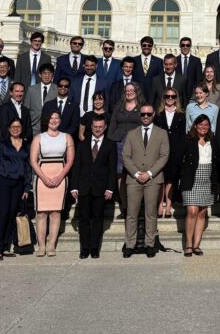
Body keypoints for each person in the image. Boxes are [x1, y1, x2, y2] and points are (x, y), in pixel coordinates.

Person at [121, 105, 170, 258]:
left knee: (151, 213)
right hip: (133, 179)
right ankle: (130, 244)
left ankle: (150, 244)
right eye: (143, 114)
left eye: (149, 113)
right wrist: (136, 173)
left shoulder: (162, 133)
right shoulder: (131, 134)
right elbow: (125, 156)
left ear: (153, 114)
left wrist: (149, 173)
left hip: (153, 179)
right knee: (131, 214)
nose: (146, 116)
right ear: (140, 115)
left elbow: (164, 156)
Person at [0, 117, 31, 260]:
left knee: (11, 215)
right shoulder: (3, 143)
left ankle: (5, 247)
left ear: (22, 129)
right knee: (2, 214)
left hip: (18, 184)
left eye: (18, 127)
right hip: (2, 181)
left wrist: (27, 187)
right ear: (9, 129)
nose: (16, 129)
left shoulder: (26, 145)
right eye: (13, 127)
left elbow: (28, 167)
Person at [70, 114, 117, 259]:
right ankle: (84, 248)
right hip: (84, 187)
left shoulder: (110, 144)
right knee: (84, 219)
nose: (97, 129)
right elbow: (77, 166)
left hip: (100, 188)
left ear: (105, 127)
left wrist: (110, 188)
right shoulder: (83, 144)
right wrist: (74, 186)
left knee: (98, 219)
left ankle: (95, 248)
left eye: (100, 127)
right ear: (91, 127)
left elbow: (112, 169)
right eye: (95, 127)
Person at [29, 110, 74, 257]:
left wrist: (60, 176)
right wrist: (43, 177)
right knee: (41, 213)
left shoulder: (67, 137)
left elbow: (70, 160)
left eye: (57, 118)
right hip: (42, 179)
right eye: (51, 118)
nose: (54, 120)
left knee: (55, 212)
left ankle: (51, 245)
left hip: (60, 178)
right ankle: (41, 245)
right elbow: (33, 161)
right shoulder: (38, 138)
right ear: (46, 120)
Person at [179, 114, 216, 256]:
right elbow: (179, 160)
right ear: (195, 126)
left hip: (207, 178)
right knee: (192, 211)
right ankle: (188, 244)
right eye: (200, 124)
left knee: (202, 212)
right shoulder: (188, 140)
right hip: (191, 178)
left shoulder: (213, 140)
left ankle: (196, 245)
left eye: (206, 125)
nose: (203, 127)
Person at [107, 82, 142, 217]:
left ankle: (135, 207)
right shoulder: (119, 107)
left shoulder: (141, 108)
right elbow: (112, 127)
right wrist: (110, 142)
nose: (129, 92)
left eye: (132, 90)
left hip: (136, 144)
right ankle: (125, 207)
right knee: (120, 175)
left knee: (134, 175)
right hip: (119, 143)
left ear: (136, 91)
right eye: (127, 90)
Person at [155, 87, 186, 219]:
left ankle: (168, 205)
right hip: (160, 151)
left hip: (175, 152)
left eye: (173, 96)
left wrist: (180, 153)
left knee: (171, 180)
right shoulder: (158, 115)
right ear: (164, 98)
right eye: (167, 96)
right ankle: (159, 205)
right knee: (161, 179)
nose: (170, 99)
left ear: (176, 99)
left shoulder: (181, 115)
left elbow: (182, 136)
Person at [25, 62, 57, 132]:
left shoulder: (57, 90)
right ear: (40, 74)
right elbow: (26, 108)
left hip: (50, 127)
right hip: (34, 126)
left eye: (49, 73)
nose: (47, 76)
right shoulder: (31, 89)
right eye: (44, 73)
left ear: (53, 75)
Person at [175, 36, 200, 102]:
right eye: (183, 45)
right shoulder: (175, 60)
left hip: (192, 96)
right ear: (180, 46)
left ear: (190, 46)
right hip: (177, 95)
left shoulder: (196, 61)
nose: (185, 47)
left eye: (187, 45)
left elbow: (198, 80)